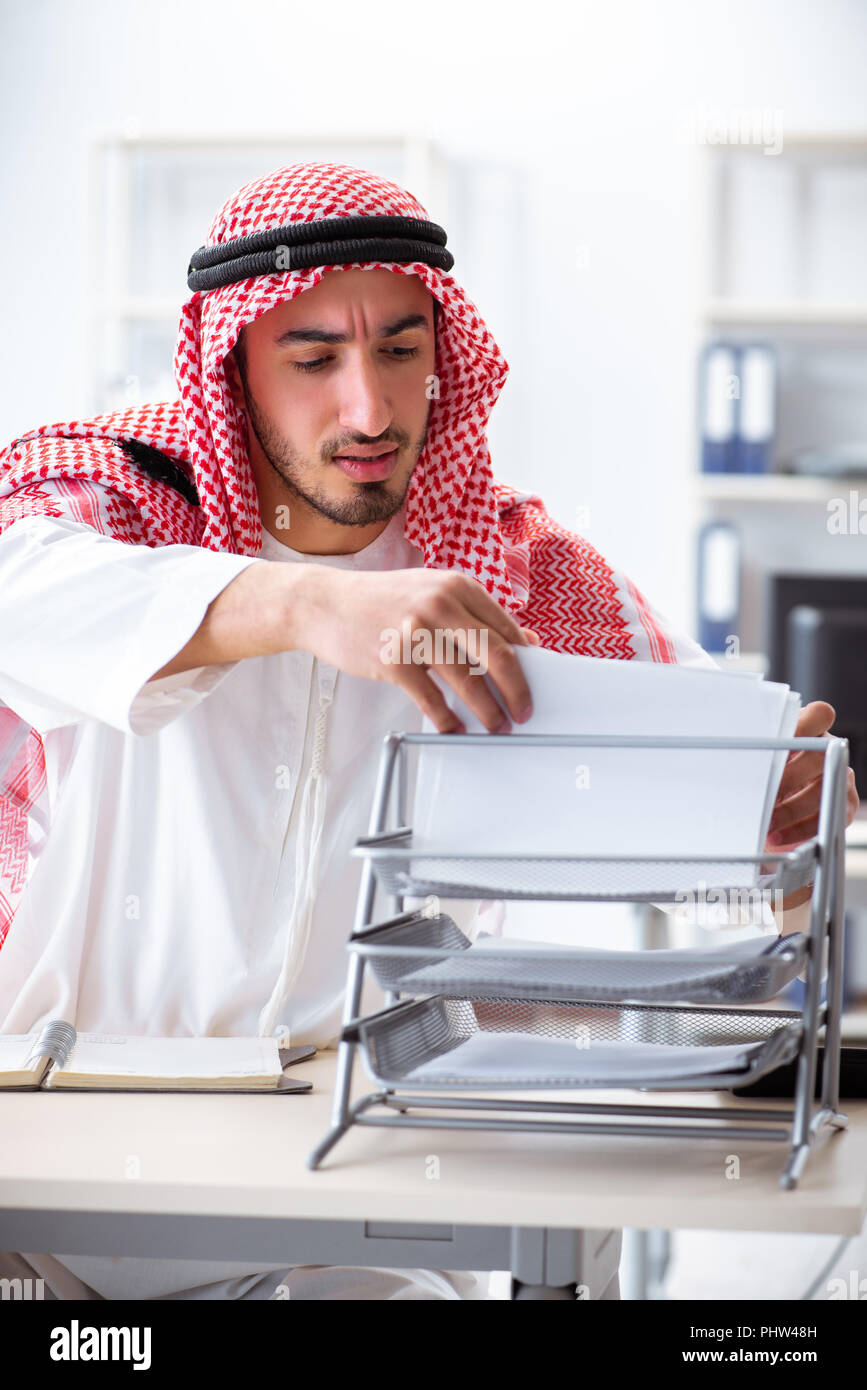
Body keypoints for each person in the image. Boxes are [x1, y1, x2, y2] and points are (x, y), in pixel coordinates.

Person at [0, 163, 857, 1301]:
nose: (370, 409)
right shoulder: (102, 499)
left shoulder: (514, 573)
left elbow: (727, 772)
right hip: (67, 1162)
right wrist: (314, 602)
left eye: (401, 351)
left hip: (359, 1198)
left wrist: (778, 801)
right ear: (231, 364)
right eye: (314, 361)